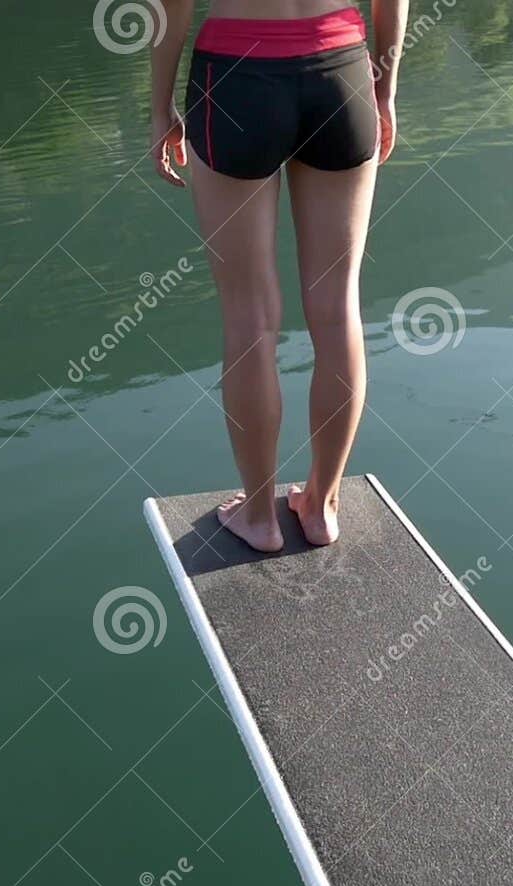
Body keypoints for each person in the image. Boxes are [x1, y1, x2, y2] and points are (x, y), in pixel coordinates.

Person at [150, 0, 408, 550]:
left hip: (235, 80)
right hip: (341, 72)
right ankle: (321, 505)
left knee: (250, 319)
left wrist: (159, 107)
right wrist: (385, 89)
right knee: (338, 308)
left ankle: (259, 517)